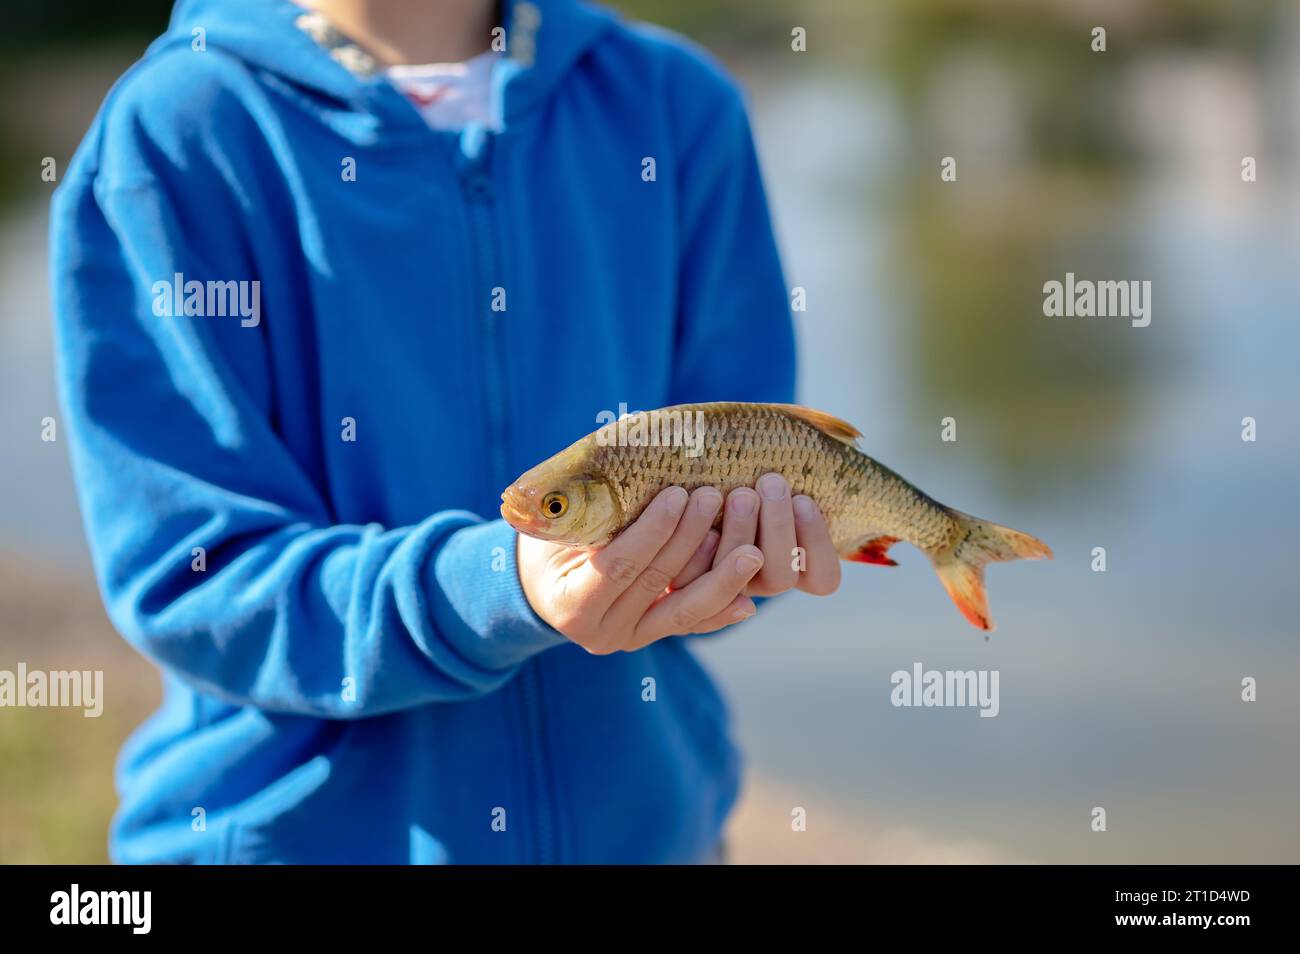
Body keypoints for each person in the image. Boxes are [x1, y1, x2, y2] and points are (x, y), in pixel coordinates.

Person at [49, 0, 840, 864]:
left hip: (652, 834)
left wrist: (724, 568)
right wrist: (501, 591)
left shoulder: (674, 103)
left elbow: (753, 490)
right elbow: (196, 581)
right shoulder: (179, 132)